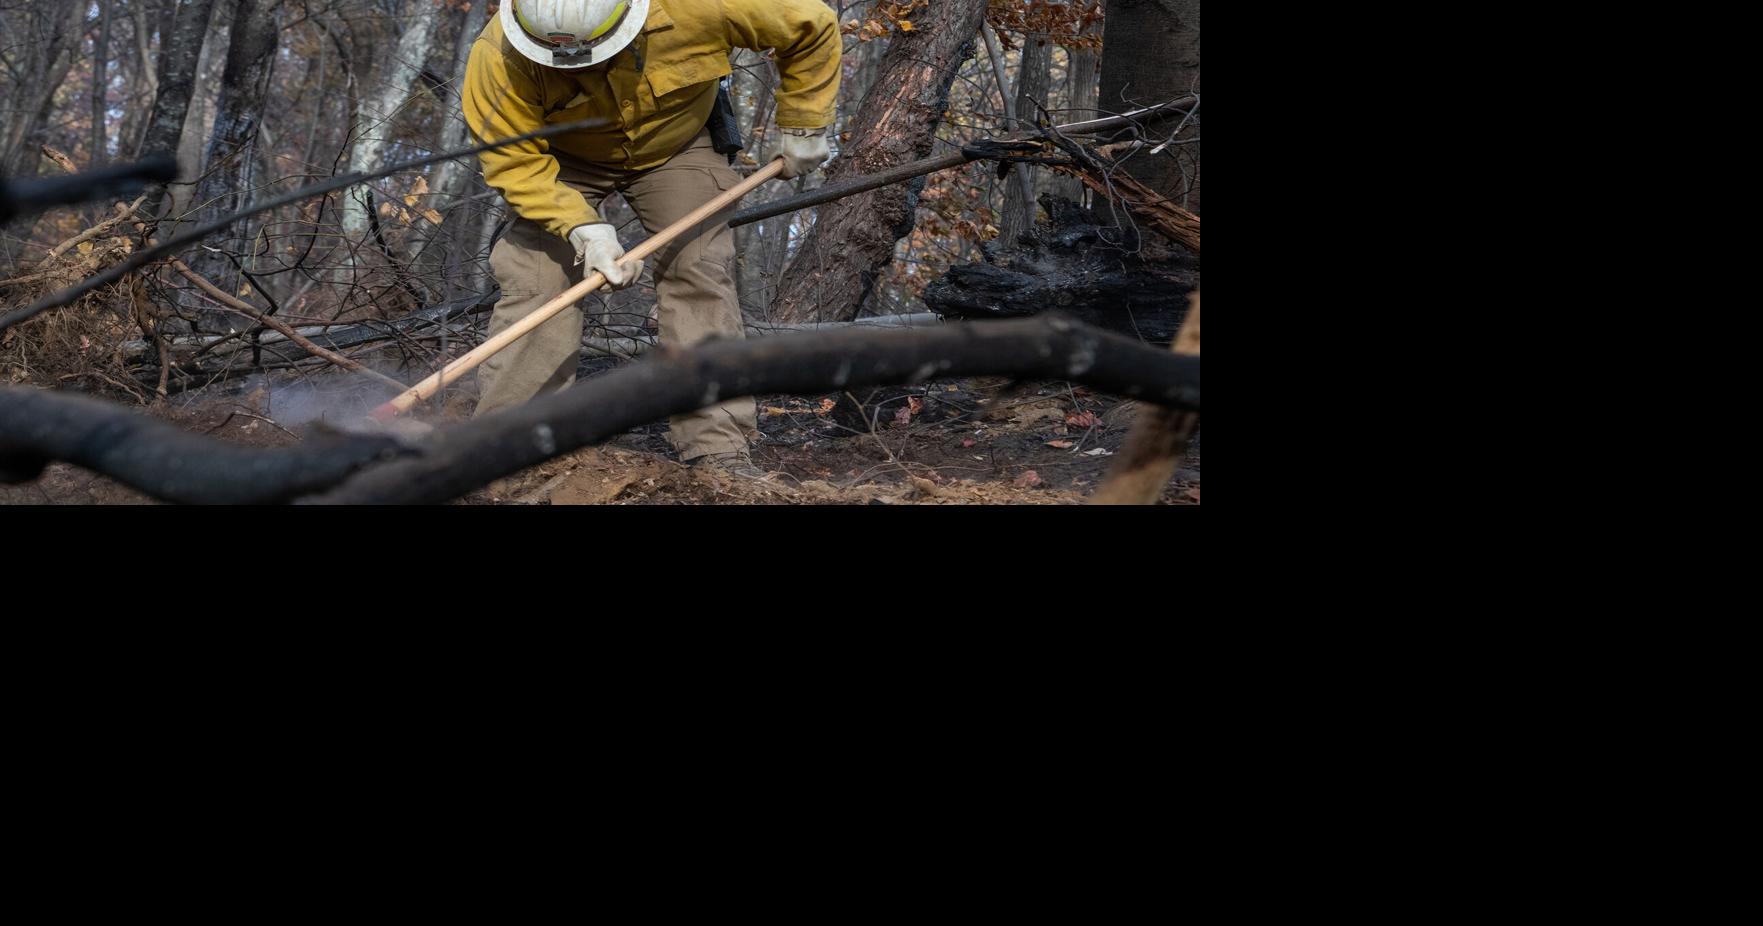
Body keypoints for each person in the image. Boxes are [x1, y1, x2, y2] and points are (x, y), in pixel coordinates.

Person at [463, 0, 840, 477]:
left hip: (679, 143)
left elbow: (814, 24)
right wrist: (581, 227)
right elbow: (514, 163)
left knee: (698, 269)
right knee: (537, 274)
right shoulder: (497, 55)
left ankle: (718, 448)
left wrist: (805, 123)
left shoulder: (702, 6)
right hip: (561, 163)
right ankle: (511, 443)